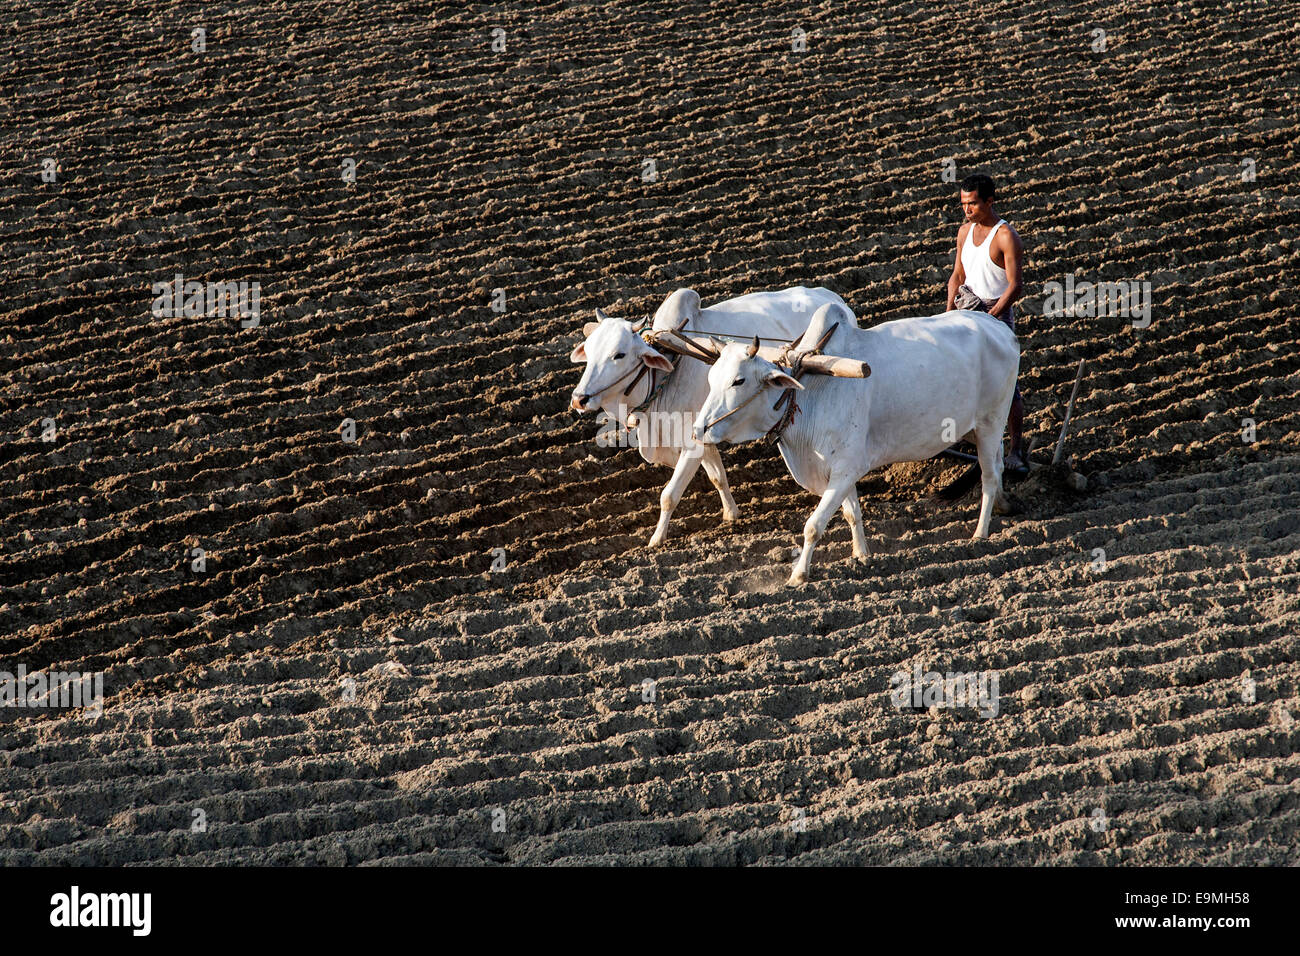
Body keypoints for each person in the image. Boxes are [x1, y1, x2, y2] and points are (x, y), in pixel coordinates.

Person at [946, 173, 1028, 478]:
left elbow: (1015, 285)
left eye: (973, 204)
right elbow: (957, 275)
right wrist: (947, 314)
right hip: (966, 311)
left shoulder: (1005, 236)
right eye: (964, 203)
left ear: (989, 202)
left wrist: (992, 317)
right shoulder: (964, 232)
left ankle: (1015, 451)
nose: (967, 209)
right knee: (956, 375)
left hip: (995, 315)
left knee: (1007, 387)